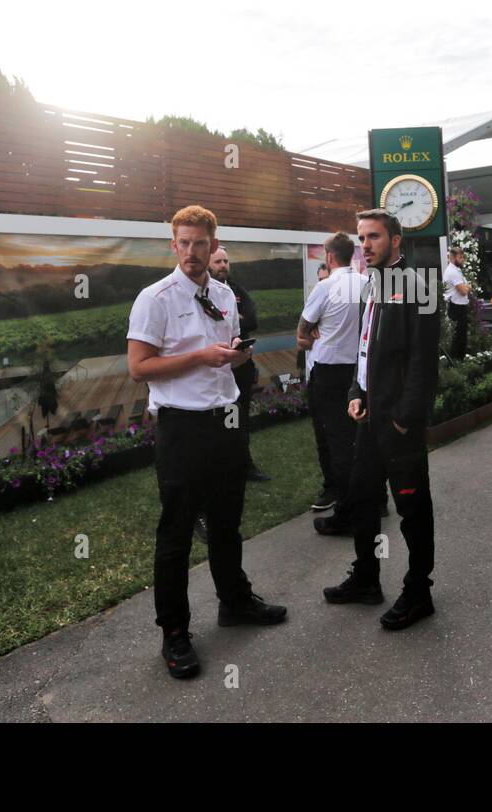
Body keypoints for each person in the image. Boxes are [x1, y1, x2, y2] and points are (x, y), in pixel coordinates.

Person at [127, 205, 286, 681]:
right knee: (176, 534)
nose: (193, 252)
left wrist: (237, 356)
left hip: (227, 422)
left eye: (201, 243)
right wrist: (199, 357)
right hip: (182, 428)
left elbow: (227, 354)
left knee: (226, 523)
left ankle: (234, 601)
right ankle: (174, 632)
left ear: (213, 245)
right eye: (184, 242)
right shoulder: (154, 298)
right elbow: (139, 367)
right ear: (172, 244)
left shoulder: (224, 294)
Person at [322, 208, 440, 631]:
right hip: (369, 418)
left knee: (412, 509)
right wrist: (356, 393)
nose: (365, 245)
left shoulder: (417, 288)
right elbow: (366, 348)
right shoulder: (372, 285)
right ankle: (367, 578)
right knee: (362, 499)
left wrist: (405, 420)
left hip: (397, 425)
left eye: (373, 237)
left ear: (395, 240)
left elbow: (424, 363)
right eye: (361, 238)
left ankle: (418, 591)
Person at [299, 231, 366, 517]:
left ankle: (344, 499)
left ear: (329, 256)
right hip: (359, 371)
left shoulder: (325, 287)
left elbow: (302, 332)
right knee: (361, 435)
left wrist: (314, 334)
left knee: (332, 436)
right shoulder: (367, 283)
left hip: (328, 371)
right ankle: (371, 496)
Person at [209, 245, 269, 486]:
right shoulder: (203, 291)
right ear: (208, 264)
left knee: (239, 418)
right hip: (213, 371)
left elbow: (252, 320)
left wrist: (230, 316)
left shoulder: (236, 291)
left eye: (225, 261)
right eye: (218, 262)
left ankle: (245, 465)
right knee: (216, 423)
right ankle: (221, 469)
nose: (223, 265)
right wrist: (232, 317)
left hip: (240, 368)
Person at [442, 246, 471, 360]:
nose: (462, 259)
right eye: (460, 257)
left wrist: (467, 287)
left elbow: (465, 287)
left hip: (460, 306)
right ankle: (455, 362)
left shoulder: (456, 270)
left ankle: (459, 360)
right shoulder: (452, 272)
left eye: (463, 257)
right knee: (458, 336)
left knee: (462, 336)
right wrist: (468, 287)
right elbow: (464, 291)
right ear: (453, 258)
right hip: (456, 306)